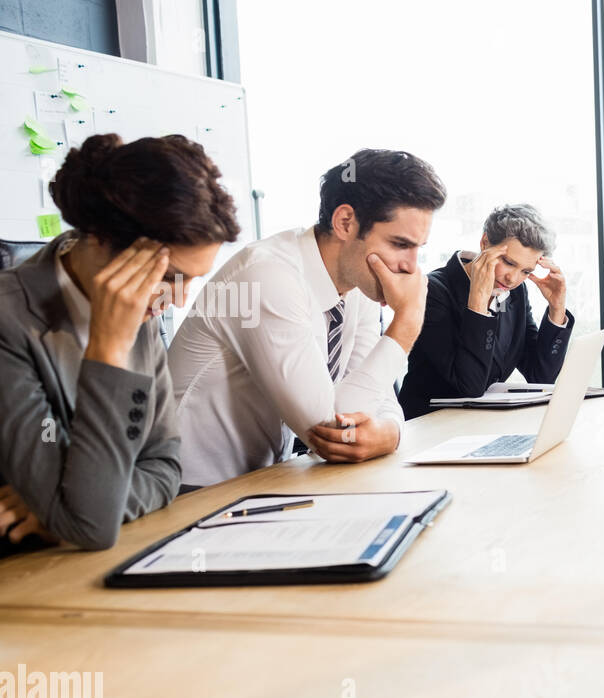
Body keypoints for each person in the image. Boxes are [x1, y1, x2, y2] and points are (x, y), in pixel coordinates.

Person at [0, 133, 238, 553]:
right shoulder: (10, 321)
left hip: (82, 557)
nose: (176, 300)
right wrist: (109, 350)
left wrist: (64, 509)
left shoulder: (139, 303)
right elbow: (91, 524)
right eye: (168, 277)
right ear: (99, 237)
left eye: (190, 283)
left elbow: (164, 466)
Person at [168, 148, 445, 487]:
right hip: (188, 493)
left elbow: (369, 399)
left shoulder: (360, 281)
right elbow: (328, 430)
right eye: (400, 244)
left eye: (419, 248)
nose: (411, 267)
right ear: (345, 222)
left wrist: (391, 433)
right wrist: (407, 324)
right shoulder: (267, 275)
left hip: (264, 482)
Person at [398, 204, 573, 416]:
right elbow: (469, 386)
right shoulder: (431, 291)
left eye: (526, 271)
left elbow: (540, 376)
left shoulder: (516, 293)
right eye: (508, 262)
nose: (513, 279)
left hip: (480, 424)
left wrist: (556, 308)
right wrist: (478, 302)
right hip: (427, 425)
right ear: (485, 243)